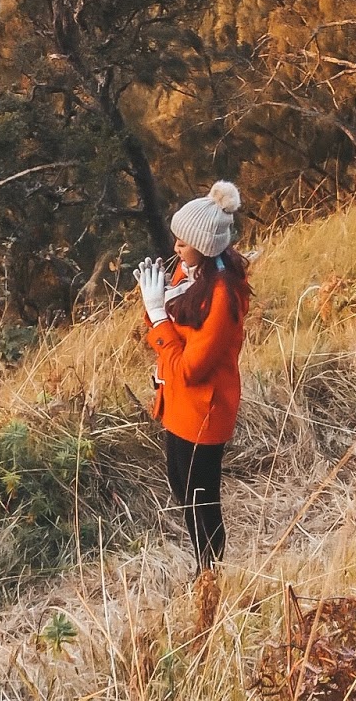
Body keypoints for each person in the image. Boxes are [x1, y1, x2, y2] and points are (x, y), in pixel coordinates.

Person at [134, 180, 250, 574]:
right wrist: (160, 304)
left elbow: (190, 367)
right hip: (180, 405)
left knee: (200, 497)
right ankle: (205, 571)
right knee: (183, 488)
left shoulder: (222, 296)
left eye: (182, 242)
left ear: (204, 244)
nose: (175, 249)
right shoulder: (196, 272)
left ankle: (209, 575)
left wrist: (158, 314)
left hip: (202, 410)